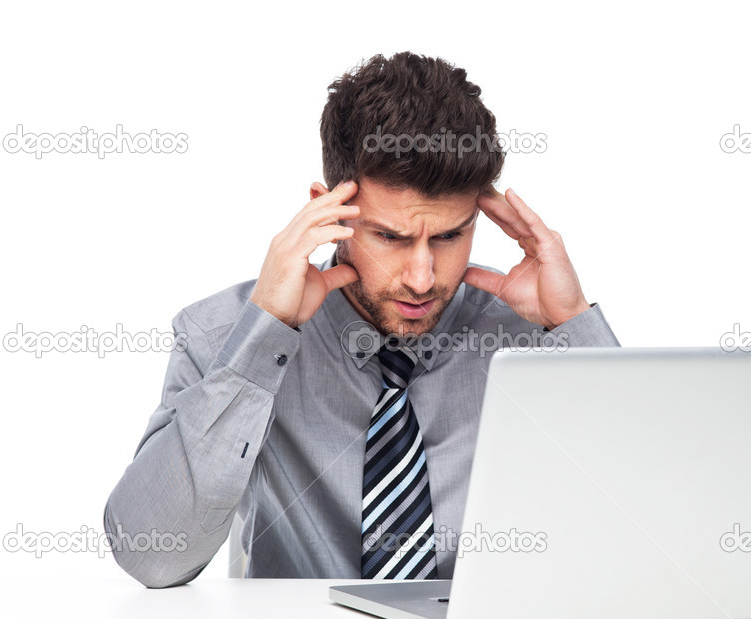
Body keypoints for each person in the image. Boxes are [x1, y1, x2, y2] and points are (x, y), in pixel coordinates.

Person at [104, 52, 620, 588]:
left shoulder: (531, 338)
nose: (422, 278)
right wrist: (263, 339)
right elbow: (152, 557)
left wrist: (572, 325)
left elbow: (644, 532)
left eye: (449, 236)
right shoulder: (223, 336)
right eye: (389, 237)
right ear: (326, 214)